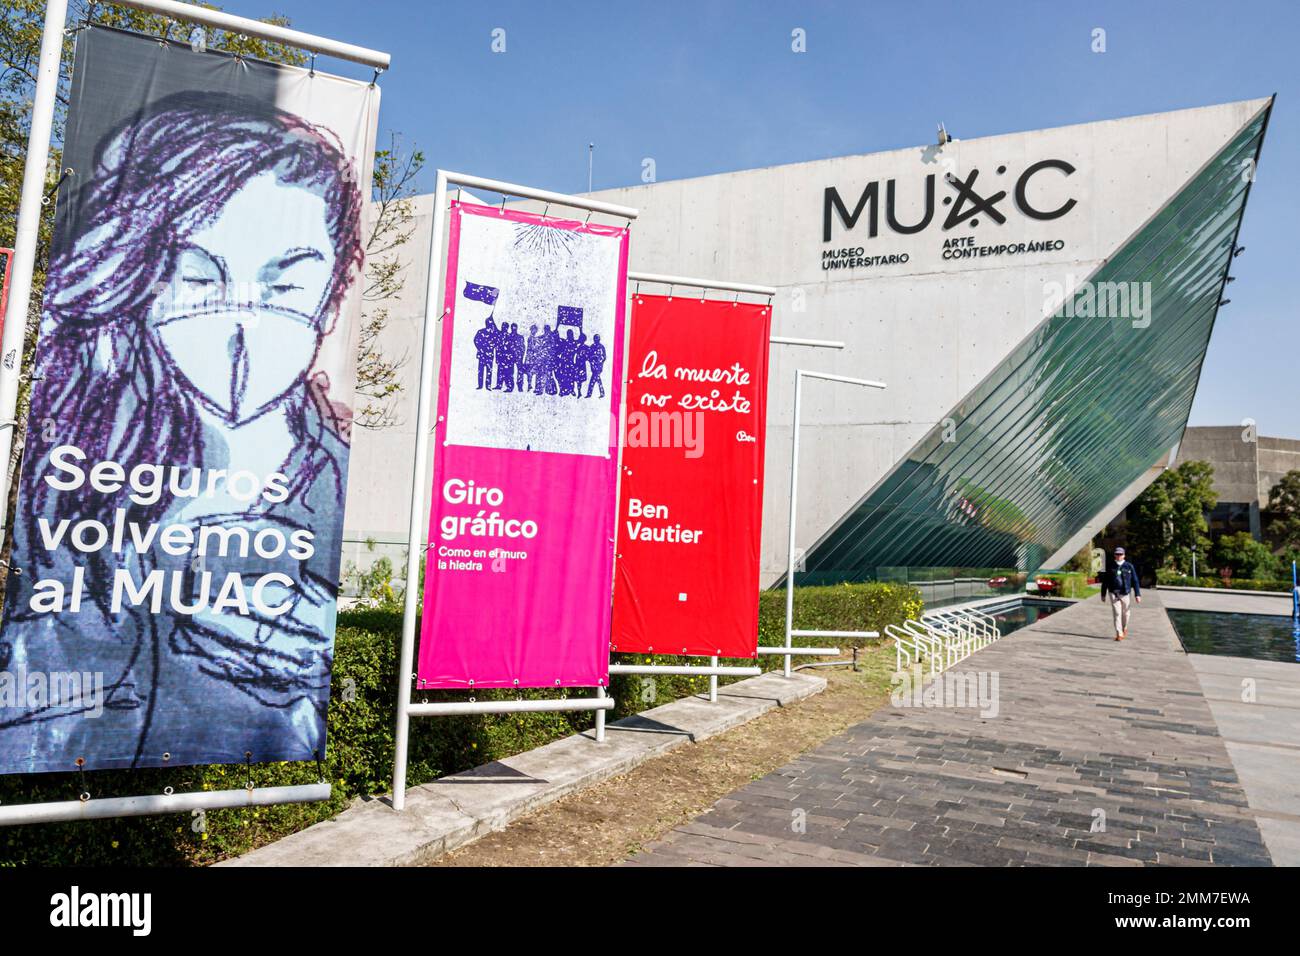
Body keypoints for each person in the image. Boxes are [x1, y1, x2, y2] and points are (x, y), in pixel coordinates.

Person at [0, 91, 363, 773]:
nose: (241, 321)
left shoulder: (332, 477)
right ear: (141, 278)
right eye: (200, 275)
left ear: (334, 290)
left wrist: (309, 670)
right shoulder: (76, 457)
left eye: (286, 287)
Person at [1101, 546, 1141, 641]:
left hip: (1125, 593)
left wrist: (1137, 594)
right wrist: (1103, 594)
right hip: (1113, 592)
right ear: (1114, 555)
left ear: (1124, 555)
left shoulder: (1129, 566)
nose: (1118, 556)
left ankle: (1124, 628)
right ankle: (1119, 633)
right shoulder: (1110, 566)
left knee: (1126, 614)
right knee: (1117, 613)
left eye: (1120, 554)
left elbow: (1135, 580)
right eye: (1117, 554)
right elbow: (1105, 581)